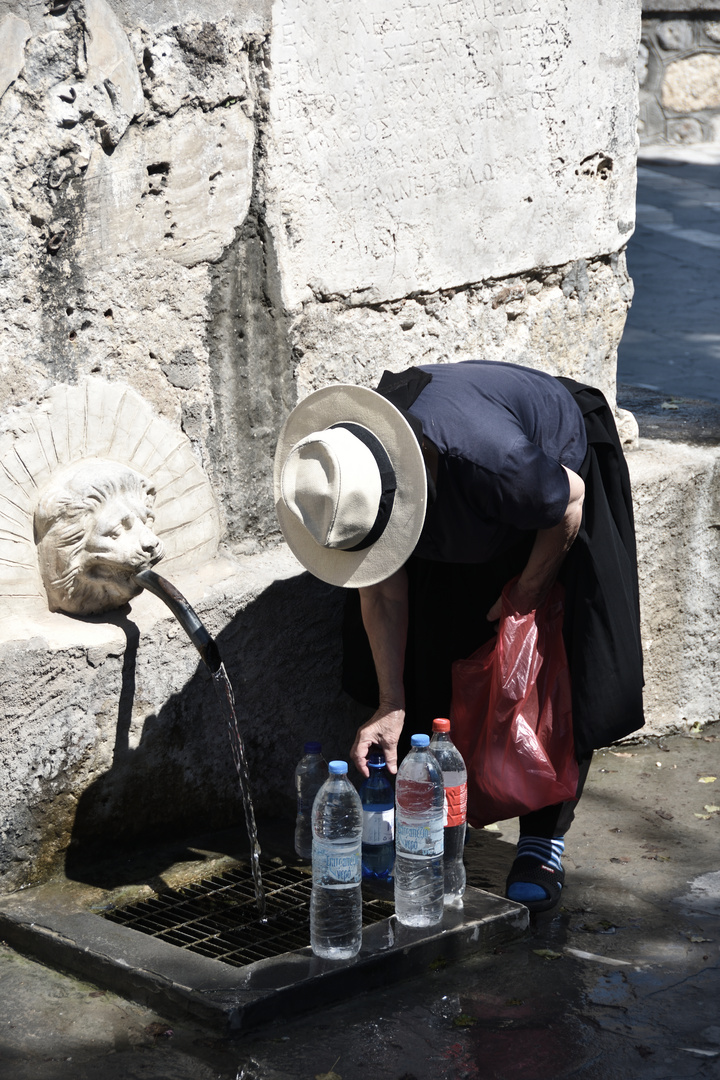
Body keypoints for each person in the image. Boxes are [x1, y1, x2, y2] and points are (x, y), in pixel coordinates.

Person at [274, 360, 644, 912]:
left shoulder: (495, 463)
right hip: (453, 495)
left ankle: (542, 838)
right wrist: (390, 701)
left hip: (552, 492)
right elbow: (382, 594)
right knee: (430, 651)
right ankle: (445, 817)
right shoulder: (346, 473)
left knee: (546, 665)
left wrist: (527, 593)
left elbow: (568, 499)